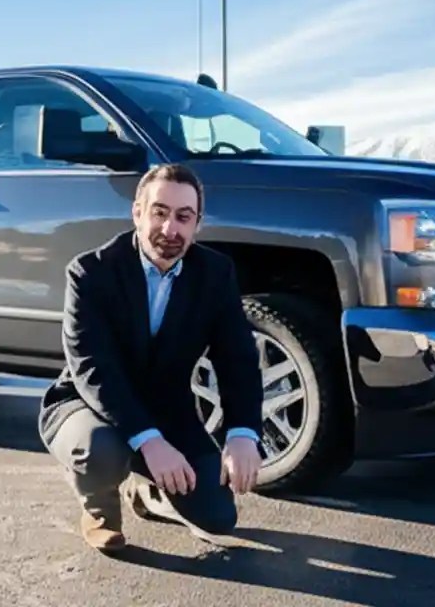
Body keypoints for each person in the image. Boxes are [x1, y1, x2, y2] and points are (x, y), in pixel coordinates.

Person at [37, 163, 264, 552]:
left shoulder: (215, 273)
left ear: (197, 224)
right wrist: (149, 441)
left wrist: (243, 432)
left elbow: (237, 357)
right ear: (137, 212)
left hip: (166, 410)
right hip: (89, 404)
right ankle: (100, 508)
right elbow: (94, 368)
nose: (170, 230)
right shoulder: (91, 272)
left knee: (218, 517)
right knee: (103, 451)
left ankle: (148, 492)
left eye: (183, 217)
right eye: (159, 212)